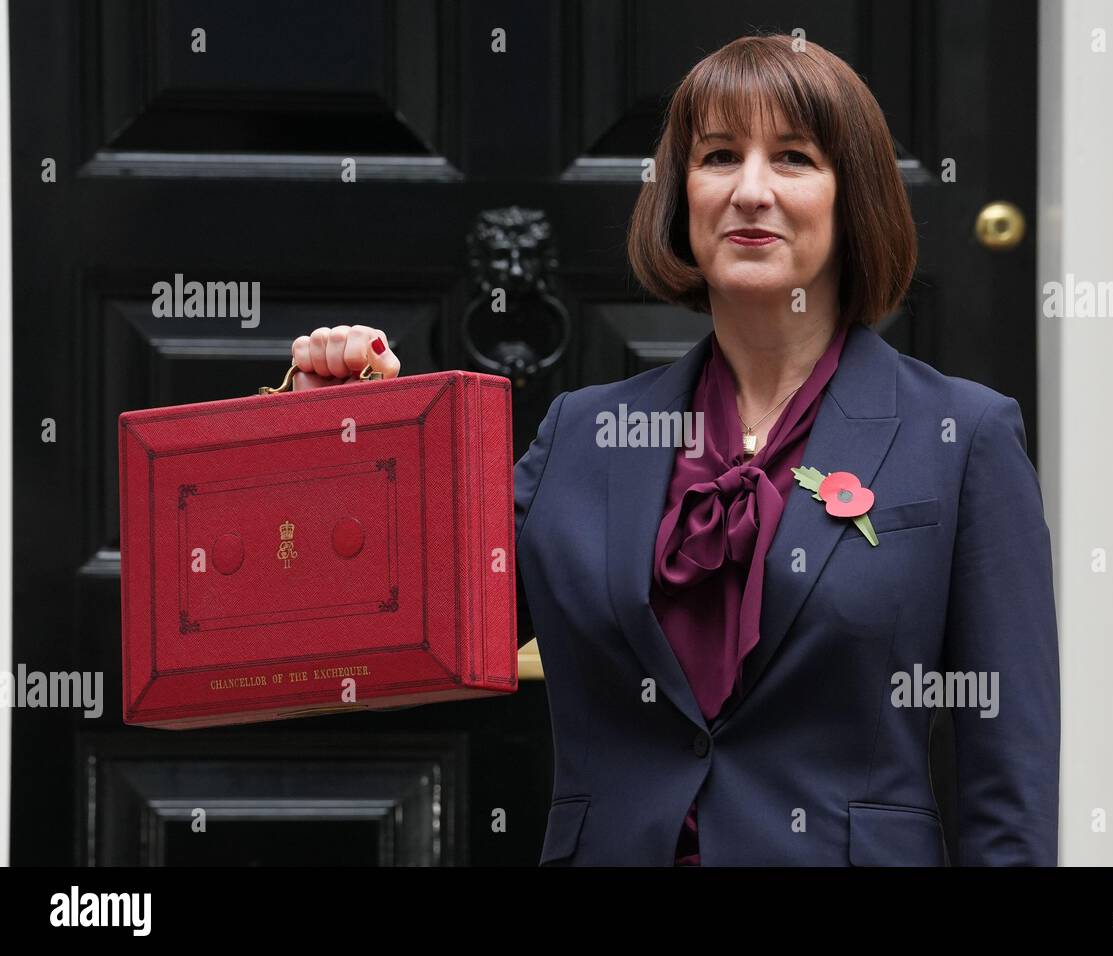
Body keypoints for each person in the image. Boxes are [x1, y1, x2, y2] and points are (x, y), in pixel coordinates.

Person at [283, 33, 1060, 866]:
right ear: (682, 196)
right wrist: (339, 440)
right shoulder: (583, 436)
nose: (750, 191)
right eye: (719, 156)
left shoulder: (963, 438)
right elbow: (393, 629)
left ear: (853, 197)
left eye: (793, 158)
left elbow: (1006, 782)